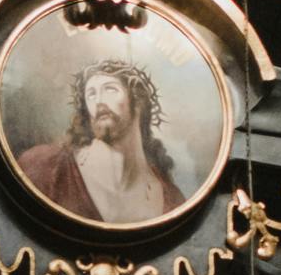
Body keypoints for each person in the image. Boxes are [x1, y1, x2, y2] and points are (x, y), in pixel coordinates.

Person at [15, 56, 185, 228]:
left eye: (110, 89)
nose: (99, 101)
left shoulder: (171, 200)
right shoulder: (45, 166)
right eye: (91, 94)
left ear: (138, 101)